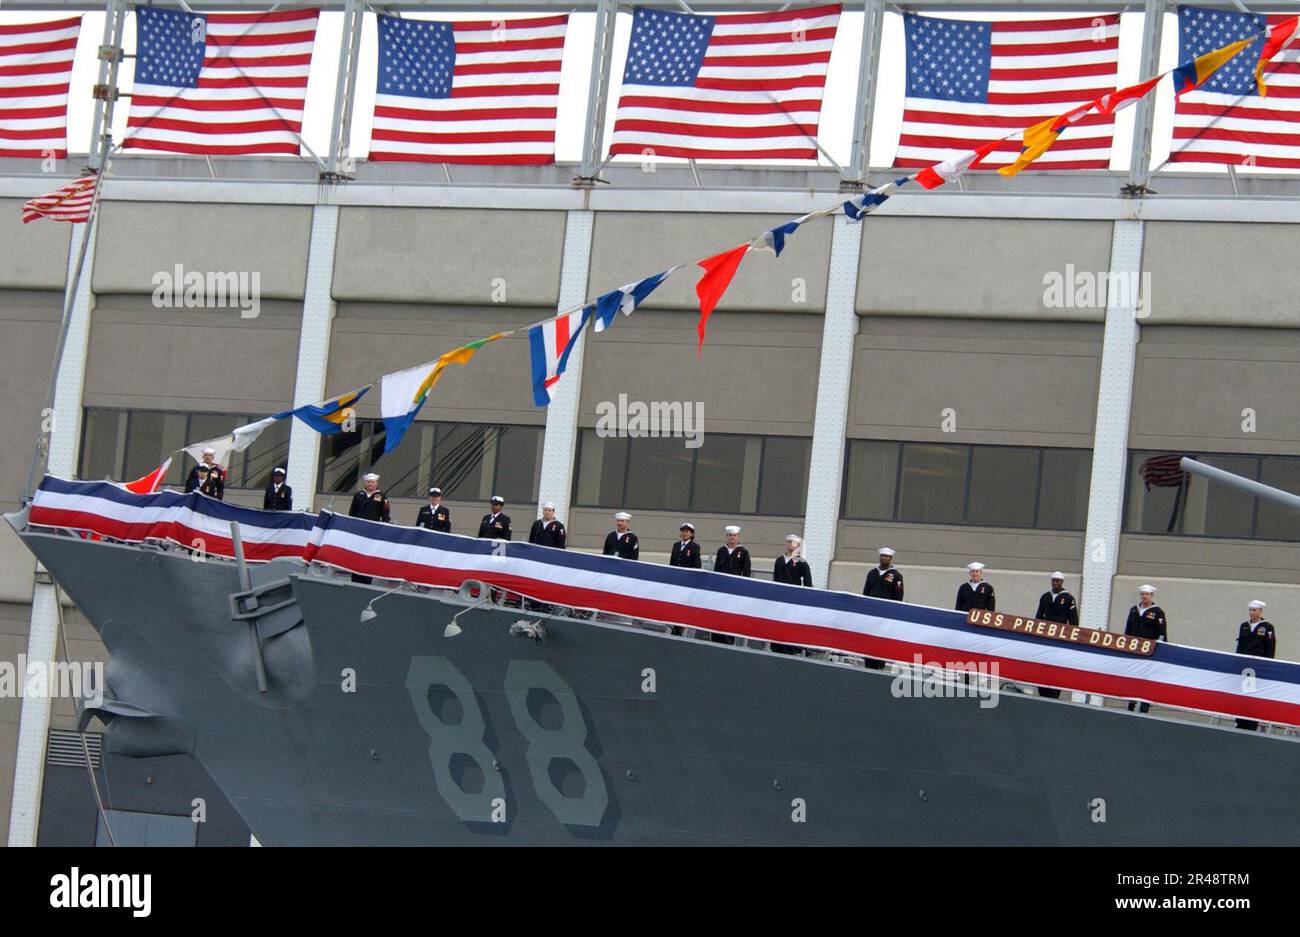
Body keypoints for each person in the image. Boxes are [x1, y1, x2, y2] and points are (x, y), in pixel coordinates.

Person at [1034, 572, 1078, 699]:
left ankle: (1054, 693)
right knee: (1043, 666)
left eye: (1058, 581)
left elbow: (1073, 622)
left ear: (1062, 582)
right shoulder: (1045, 597)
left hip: (1059, 639)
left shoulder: (1069, 598)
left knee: (1056, 667)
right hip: (1045, 639)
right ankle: (1042, 690)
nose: (1055, 583)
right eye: (1053, 581)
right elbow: (1038, 617)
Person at [1124, 585, 1168, 713]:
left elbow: (1162, 632)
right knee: (1133, 677)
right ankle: (1131, 704)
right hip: (1134, 650)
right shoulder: (1134, 610)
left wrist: (1159, 648)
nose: (1144, 596)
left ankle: (1144, 707)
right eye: (1142, 594)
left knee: (1146, 679)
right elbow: (1128, 630)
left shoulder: (1158, 612)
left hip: (1149, 652)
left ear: (1151, 596)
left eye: (1147, 594)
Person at [1234, 599, 1277, 731]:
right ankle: (1240, 720)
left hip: (1258, 666)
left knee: (1254, 693)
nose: (1252, 613)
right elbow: (1240, 645)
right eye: (1250, 610)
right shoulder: (1244, 626)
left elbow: (1270, 648)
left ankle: (1252, 722)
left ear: (1260, 611)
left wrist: (1266, 665)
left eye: (1254, 610)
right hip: (1244, 666)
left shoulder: (1267, 627)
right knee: (1242, 693)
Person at [772, 535, 813, 655]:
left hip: (792, 599)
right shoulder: (779, 560)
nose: (790, 544)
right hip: (780, 598)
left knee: (789, 622)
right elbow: (775, 579)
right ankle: (776, 645)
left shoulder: (801, 562)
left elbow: (807, 582)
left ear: (798, 546)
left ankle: (790, 647)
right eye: (789, 542)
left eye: (793, 543)